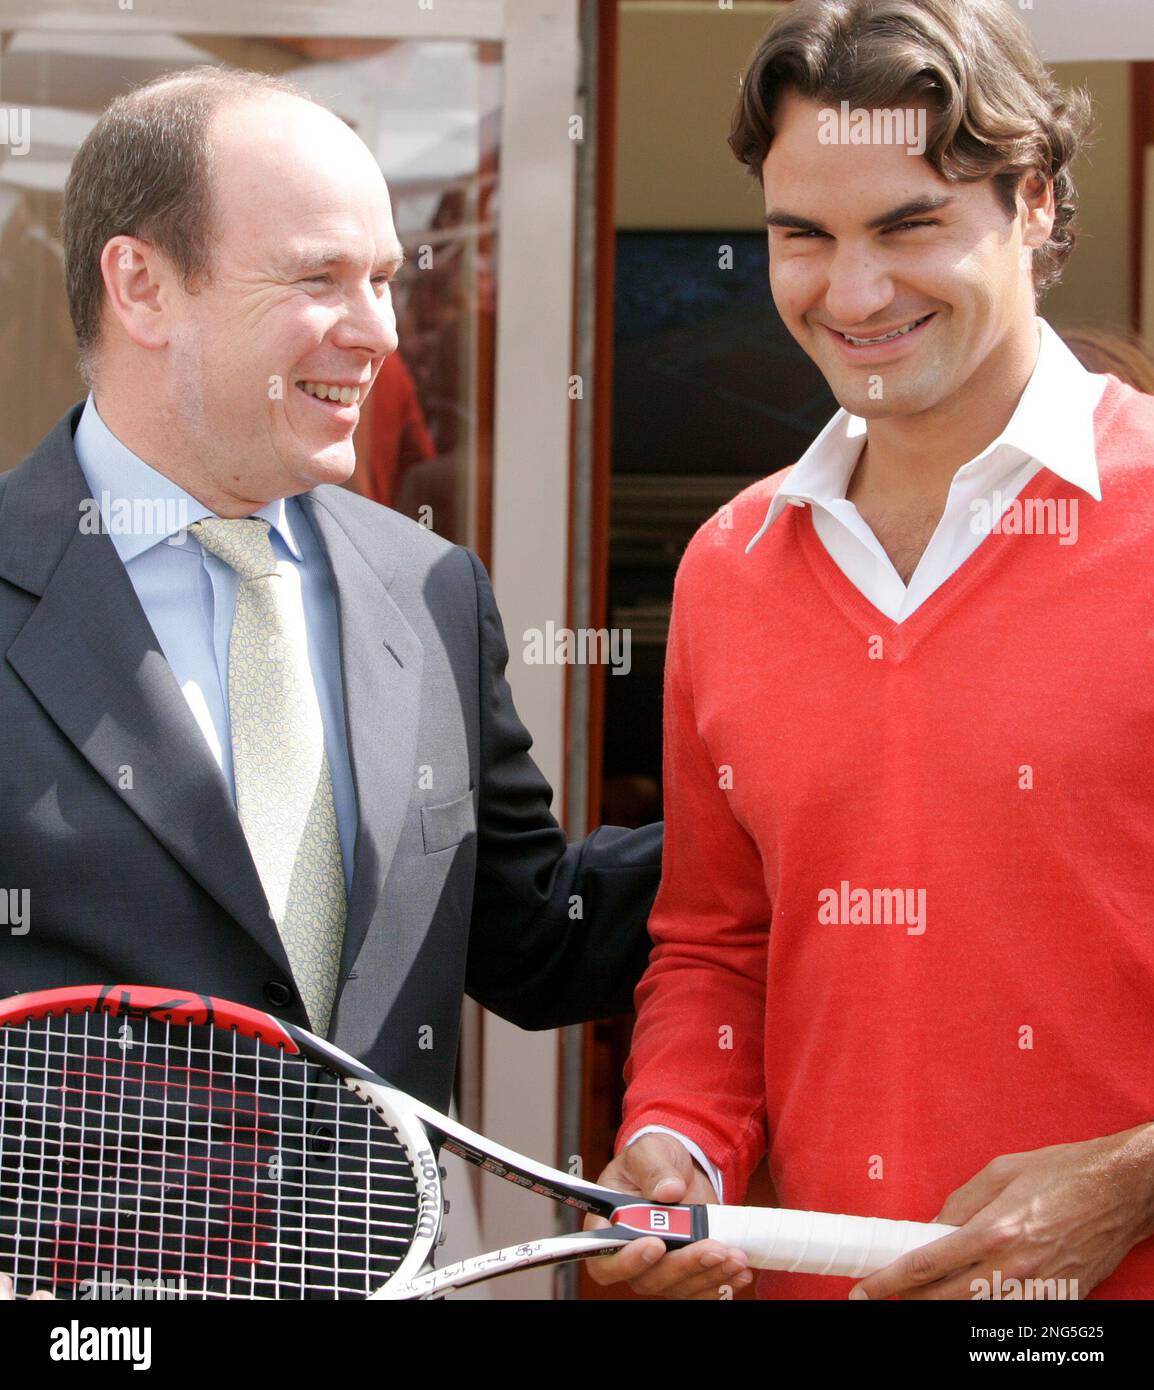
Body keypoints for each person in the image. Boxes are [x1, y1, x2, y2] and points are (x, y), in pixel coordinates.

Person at [0, 66, 661, 1295]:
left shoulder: (428, 588)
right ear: (141, 284)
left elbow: (530, 941)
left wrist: (794, 813)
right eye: (318, 277)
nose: (380, 329)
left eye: (381, 277)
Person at [588, 0, 1154, 1300]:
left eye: (908, 226)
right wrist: (678, 1138)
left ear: (1036, 206)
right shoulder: (729, 569)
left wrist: (1128, 1177)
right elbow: (715, 944)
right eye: (804, 236)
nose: (851, 293)